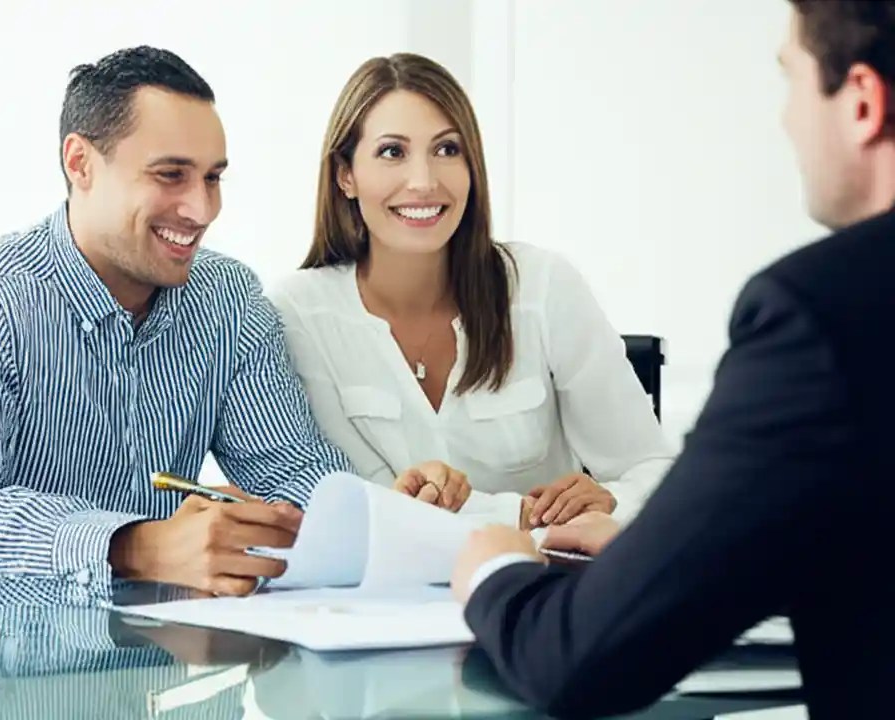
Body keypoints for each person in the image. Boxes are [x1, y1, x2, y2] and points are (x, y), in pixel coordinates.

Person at [0, 46, 462, 604]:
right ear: (80, 163)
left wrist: (376, 512)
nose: (202, 210)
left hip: (152, 658)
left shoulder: (226, 297)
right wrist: (133, 544)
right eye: (170, 175)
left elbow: (286, 468)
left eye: (212, 178)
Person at [451, 2, 895, 716]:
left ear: (864, 103)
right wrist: (655, 553)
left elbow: (577, 660)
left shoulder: (817, 313)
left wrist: (495, 569)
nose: (786, 121)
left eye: (793, 81)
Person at [269, 53, 675, 530]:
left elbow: (653, 472)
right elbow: (367, 504)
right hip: (387, 600)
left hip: (542, 587)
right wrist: (520, 514)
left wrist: (610, 501)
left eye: (447, 150)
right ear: (345, 175)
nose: (423, 181)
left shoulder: (543, 286)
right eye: (392, 152)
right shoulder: (298, 312)